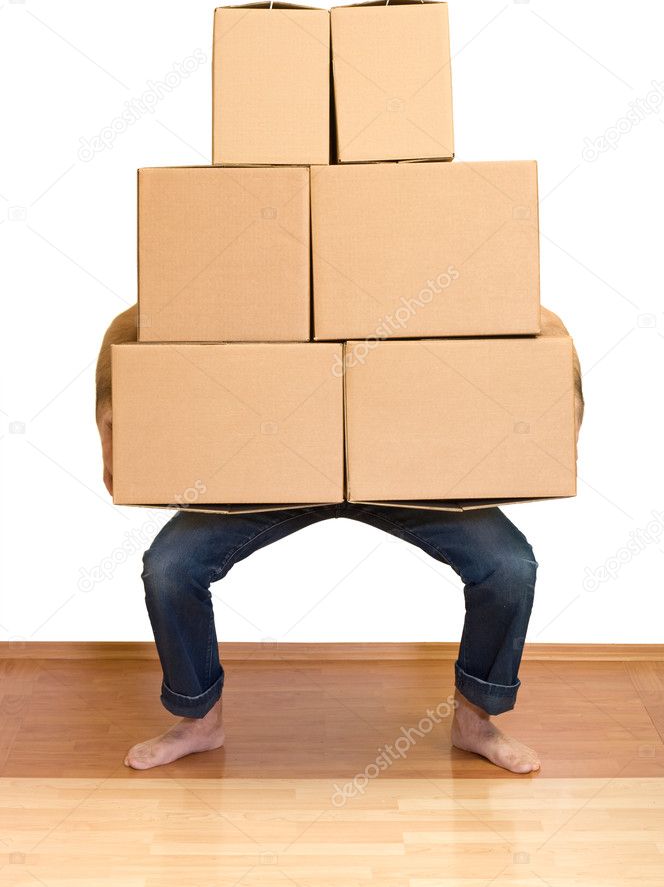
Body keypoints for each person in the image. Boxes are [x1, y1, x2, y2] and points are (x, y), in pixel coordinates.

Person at [96, 305, 583, 774]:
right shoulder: (263, 267)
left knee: (509, 566)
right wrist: (109, 420)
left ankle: (477, 721)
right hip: (274, 475)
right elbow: (137, 321)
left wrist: (568, 406)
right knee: (170, 567)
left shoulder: (411, 271)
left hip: (401, 477)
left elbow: (539, 322)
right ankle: (197, 719)